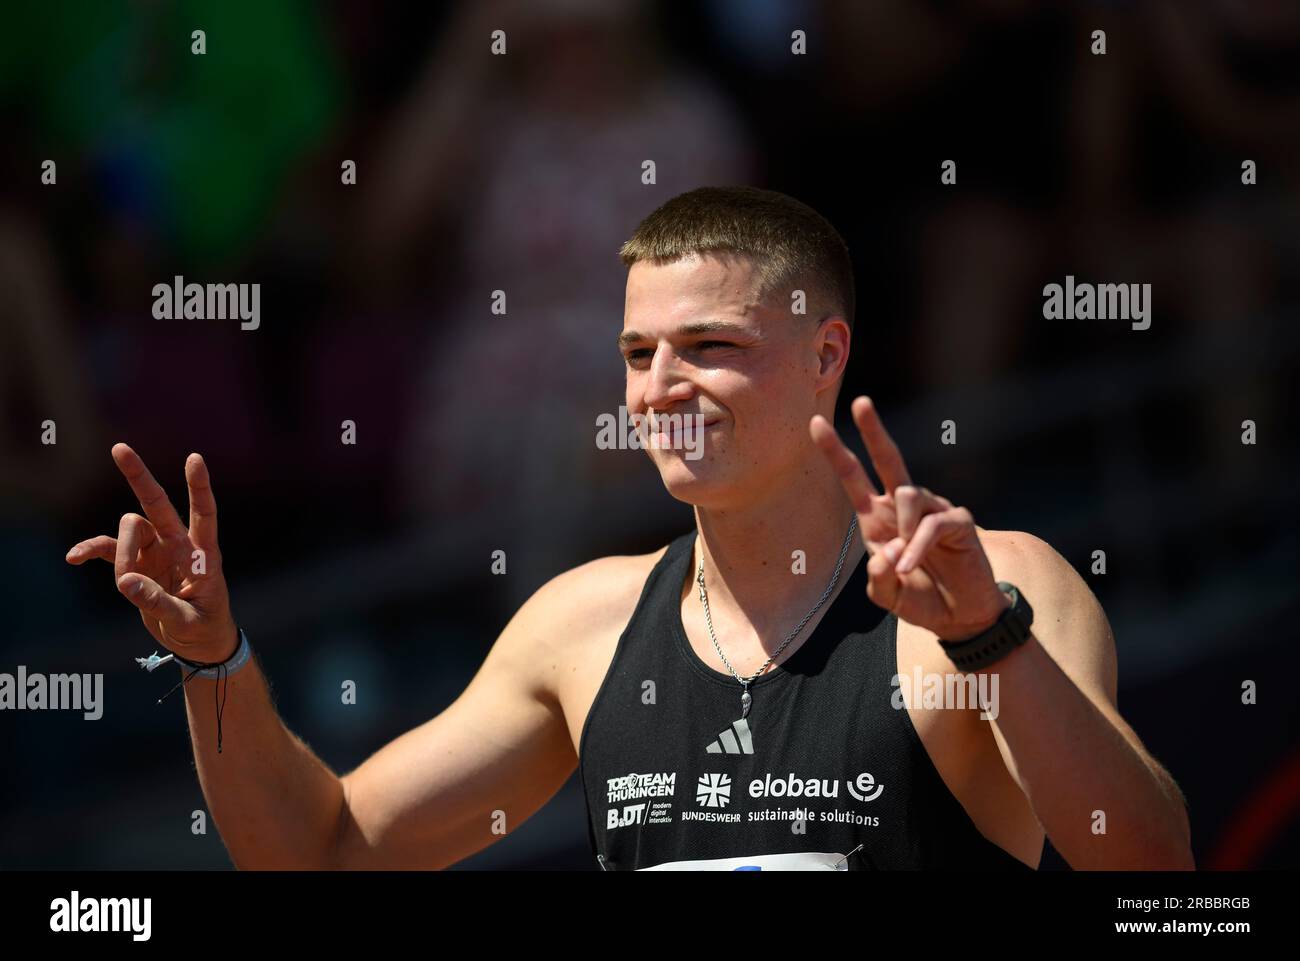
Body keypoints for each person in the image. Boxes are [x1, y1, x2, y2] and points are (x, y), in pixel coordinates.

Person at [65, 186, 1193, 870]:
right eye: (634, 353)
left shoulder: (993, 583)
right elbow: (322, 850)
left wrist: (990, 641)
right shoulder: (583, 623)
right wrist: (213, 657)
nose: (657, 386)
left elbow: (1152, 873)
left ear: (825, 356)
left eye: (707, 346)